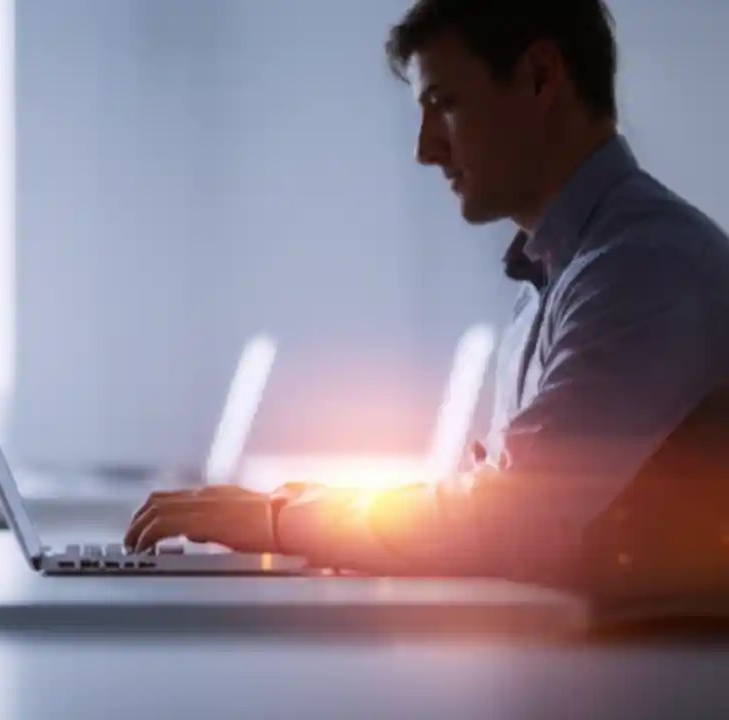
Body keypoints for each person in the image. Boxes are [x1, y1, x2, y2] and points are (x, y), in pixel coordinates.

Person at [125, 0, 729, 591]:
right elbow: (495, 500)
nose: (425, 149)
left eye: (444, 104)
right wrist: (301, 506)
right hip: (591, 650)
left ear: (541, 77)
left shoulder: (644, 267)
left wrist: (281, 521)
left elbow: (515, 518)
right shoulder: (562, 275)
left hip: (648, 659)